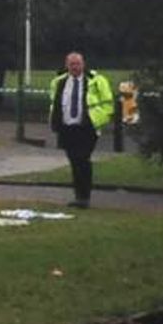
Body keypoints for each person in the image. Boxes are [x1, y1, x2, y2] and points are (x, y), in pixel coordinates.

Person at [48, 52, 114, 208]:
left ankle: (84, 197)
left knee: (83, 159)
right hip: (67, 128)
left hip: (87, 128)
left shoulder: (96, 81)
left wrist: (98, 120)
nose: (75, 67)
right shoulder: (59, 82)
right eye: (71, 64)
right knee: (74, 161)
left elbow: (108, 103)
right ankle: (79, 196)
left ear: (83, 64)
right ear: (67, 65)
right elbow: (55, 102)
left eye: (77, 63)